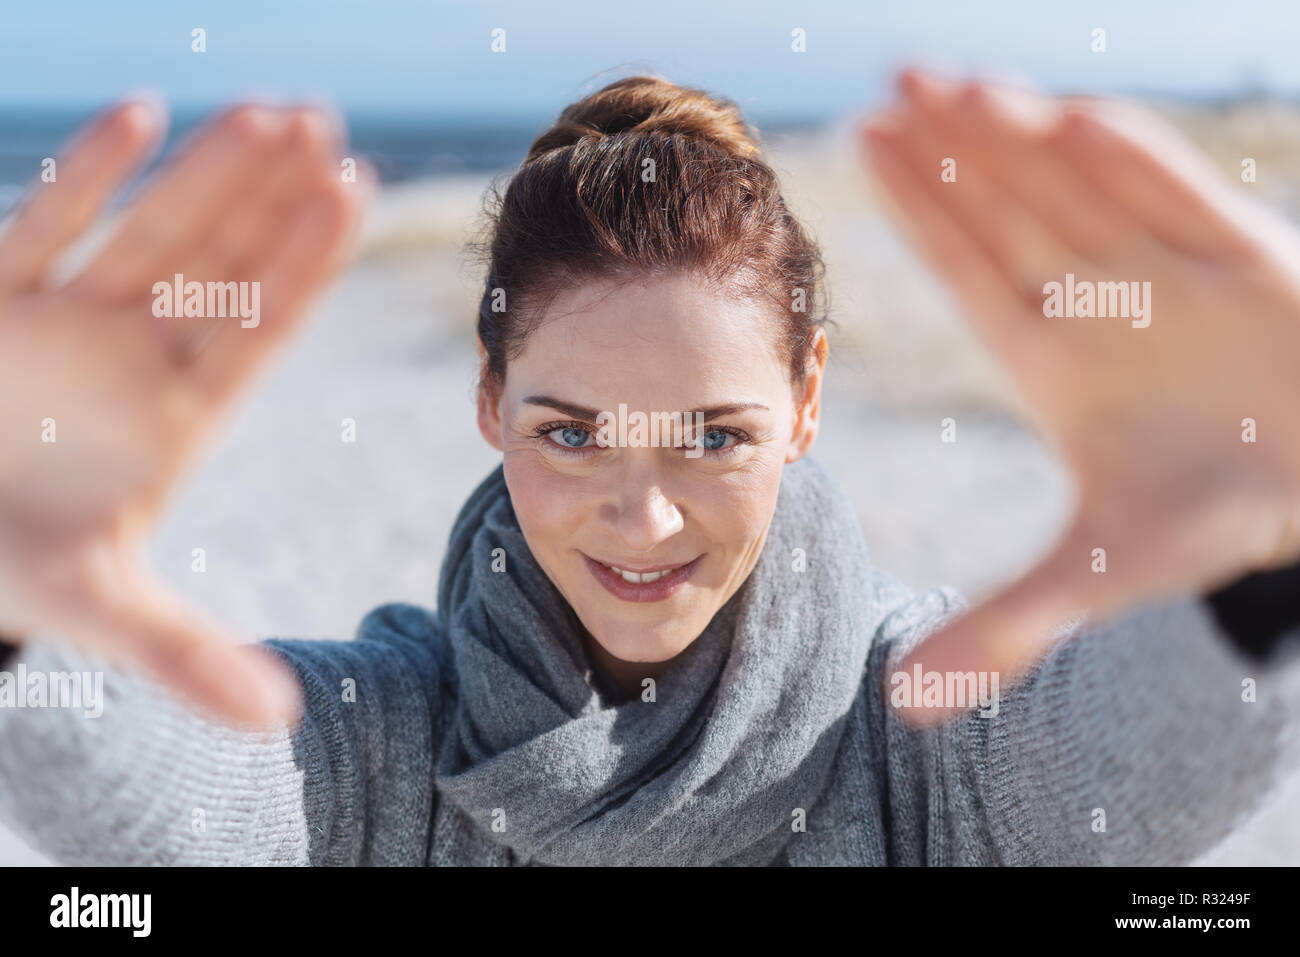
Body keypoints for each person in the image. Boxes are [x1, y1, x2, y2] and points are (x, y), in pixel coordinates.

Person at [0, 70, 1298, 866]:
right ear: (489, 397)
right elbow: (198, 797)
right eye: (571, 432)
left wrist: (1249, 561)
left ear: (805, 401)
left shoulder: (911, 727)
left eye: (715, 435)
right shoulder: (390, 746)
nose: (646, 513)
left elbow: (1112, 776)